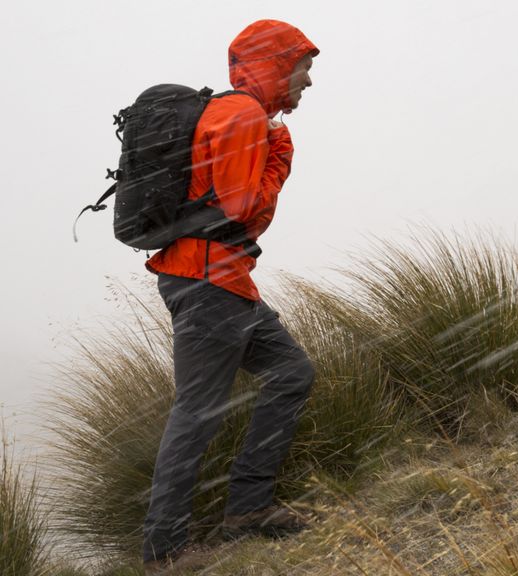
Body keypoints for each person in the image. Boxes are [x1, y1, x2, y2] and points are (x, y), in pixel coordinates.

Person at [141, 19, 318, 571]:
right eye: (302, 69)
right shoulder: (242, 116)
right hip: (208, 281)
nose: (308, 83)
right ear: (276, 66)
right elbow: (243, 213)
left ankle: (246, 508)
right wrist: (279, 160)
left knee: (291, 372)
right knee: (197, 411)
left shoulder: (239, 115)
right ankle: (163, 550)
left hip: (224, 281)